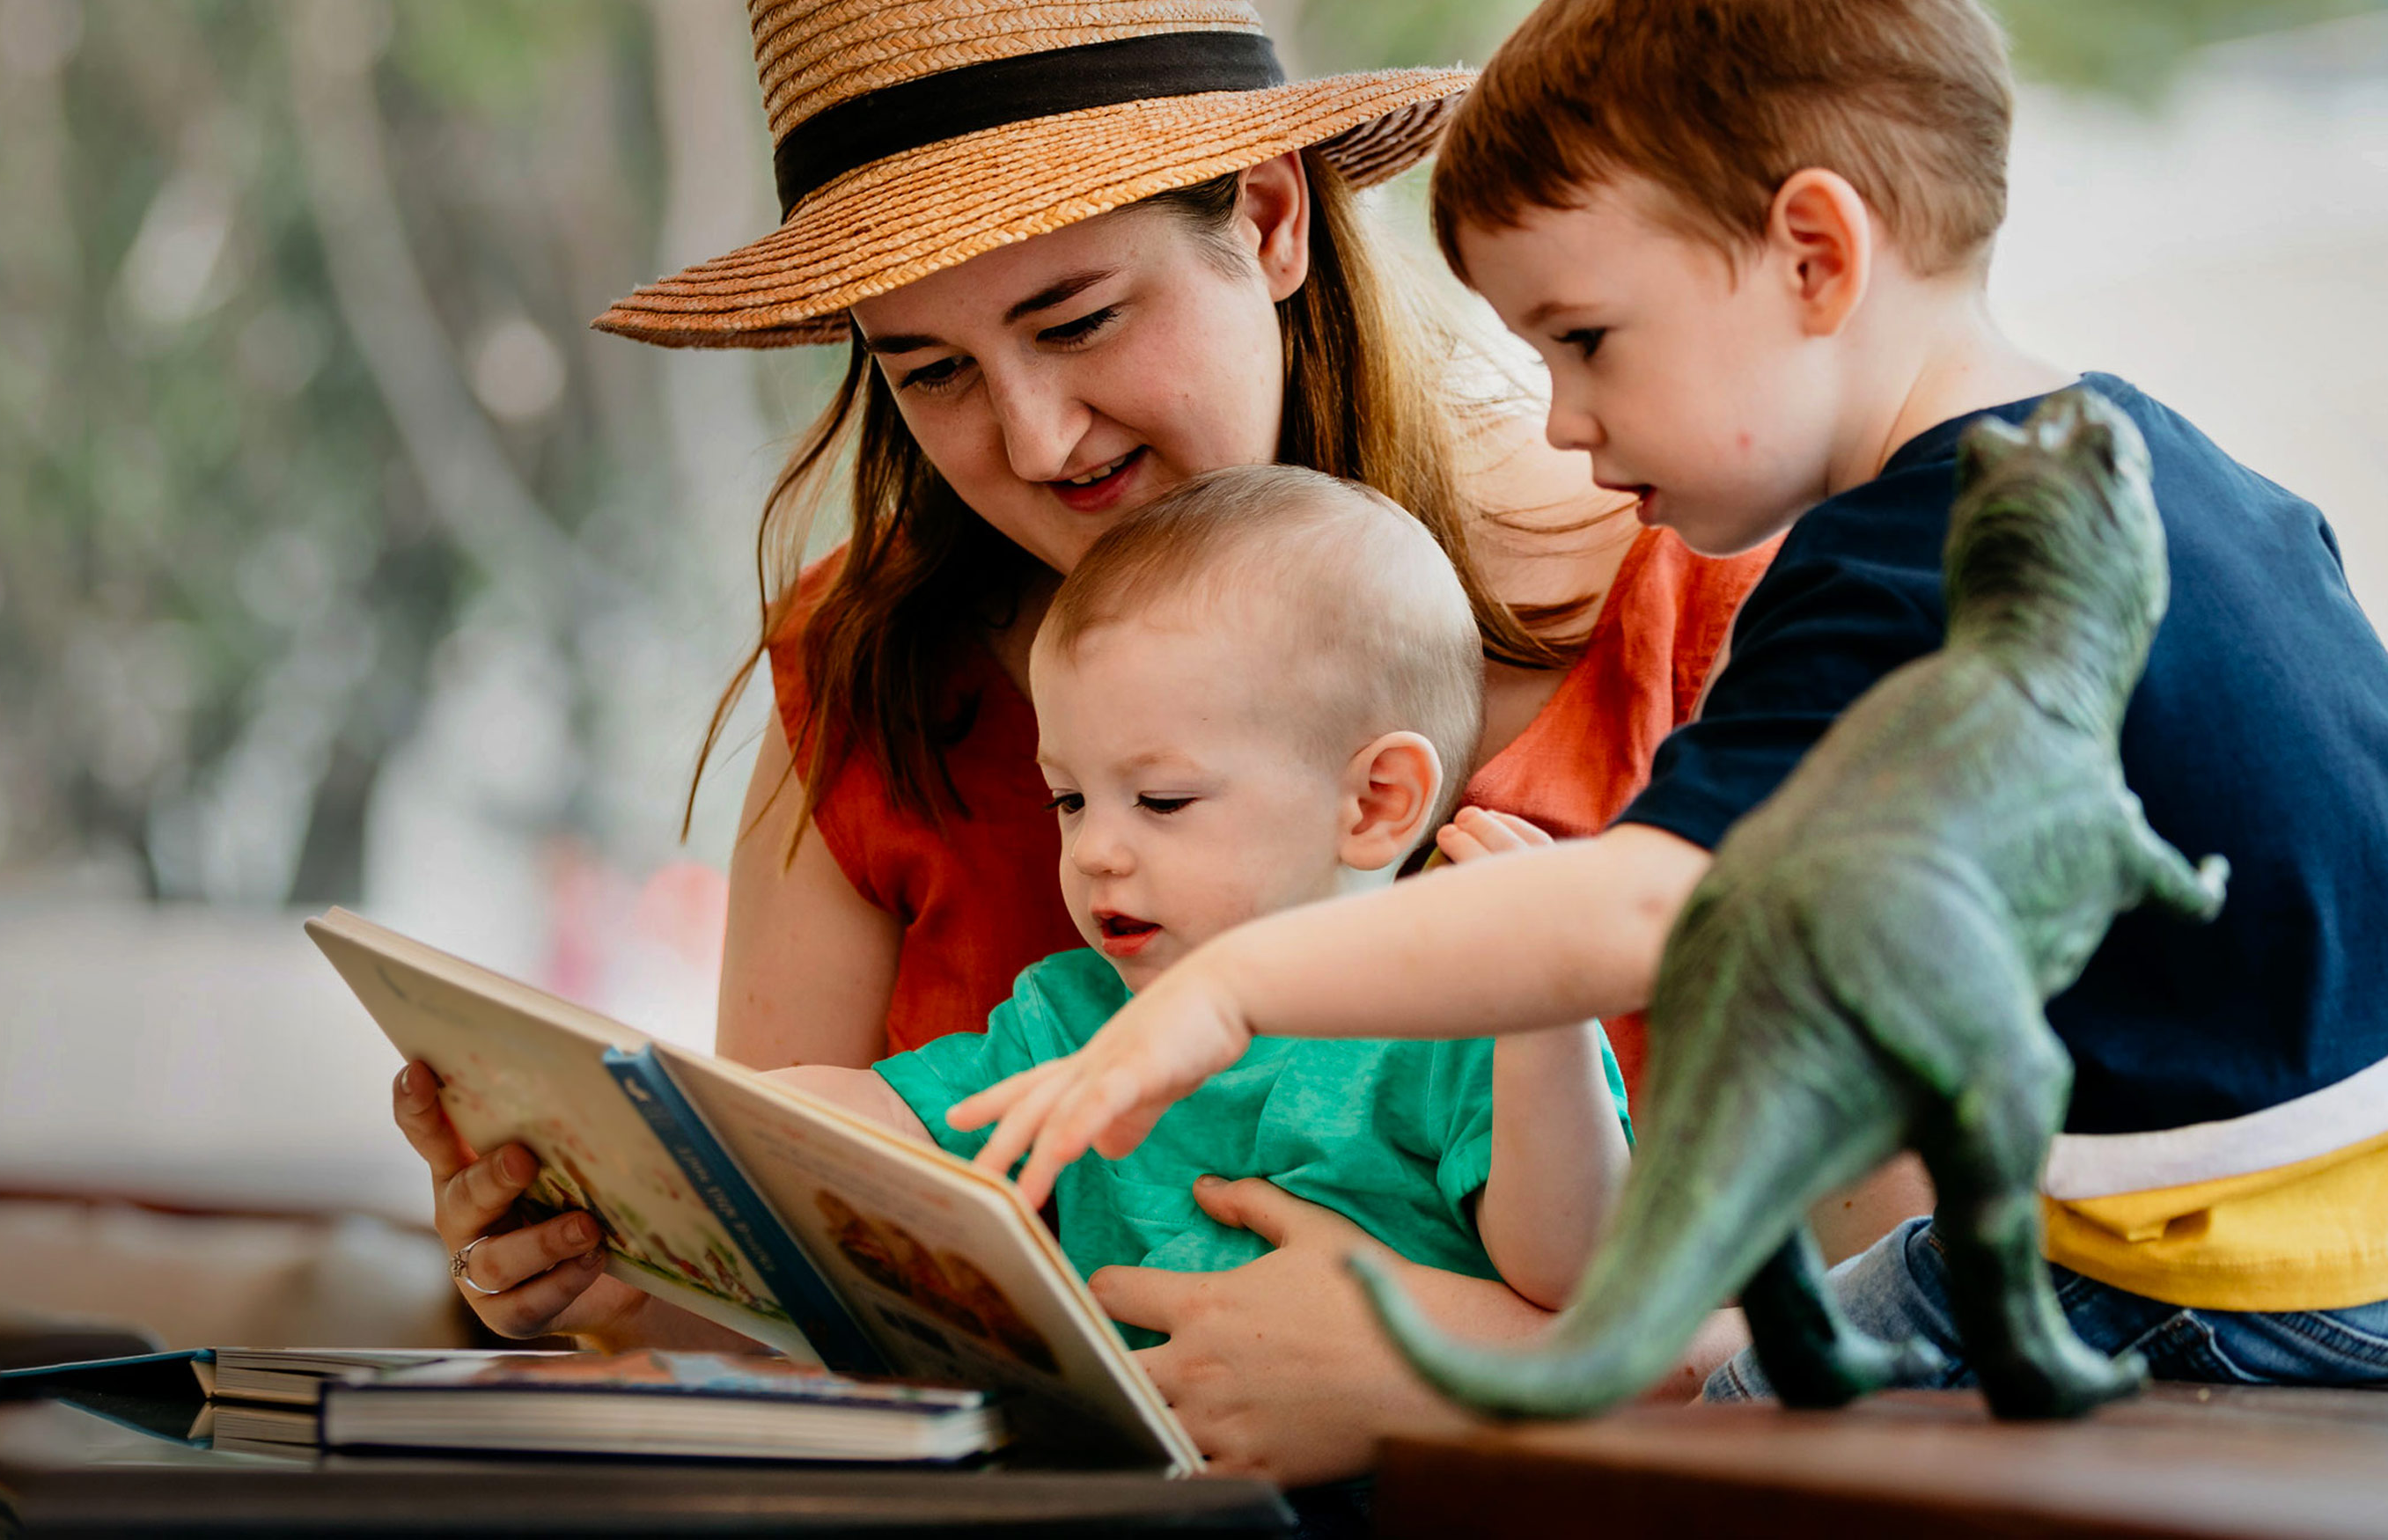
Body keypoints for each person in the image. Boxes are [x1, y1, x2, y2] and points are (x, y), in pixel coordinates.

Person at [392, 0, 1772, 1483]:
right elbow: (821, 1255)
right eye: (929, 371)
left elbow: (1913, 1307)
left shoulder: (1716, 615)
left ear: (1268, 216)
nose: (1039, 440)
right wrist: (617, 1261)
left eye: (1077, 320)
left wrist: (1488, 1371)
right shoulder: (871, 682)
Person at [952, 0, 2388, 1397]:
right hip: (2298, 1233)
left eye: (1585, 341)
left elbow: (1646, 910)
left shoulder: (1910, 562)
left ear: (1815, 257)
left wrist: (1231, 984)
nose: (1567, 421)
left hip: (2227, 1292)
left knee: (1733, 1441)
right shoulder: (2150, 465)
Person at [764, 466, 1632, 1330]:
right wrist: (709, 1123)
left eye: (1161, 801)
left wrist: (1543, 1010)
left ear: (1374, 802)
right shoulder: (1069, 1021)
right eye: (1068, 799)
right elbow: (891, 1124)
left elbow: (1576, 1271)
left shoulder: (1473, 1022)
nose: (1095, 850)